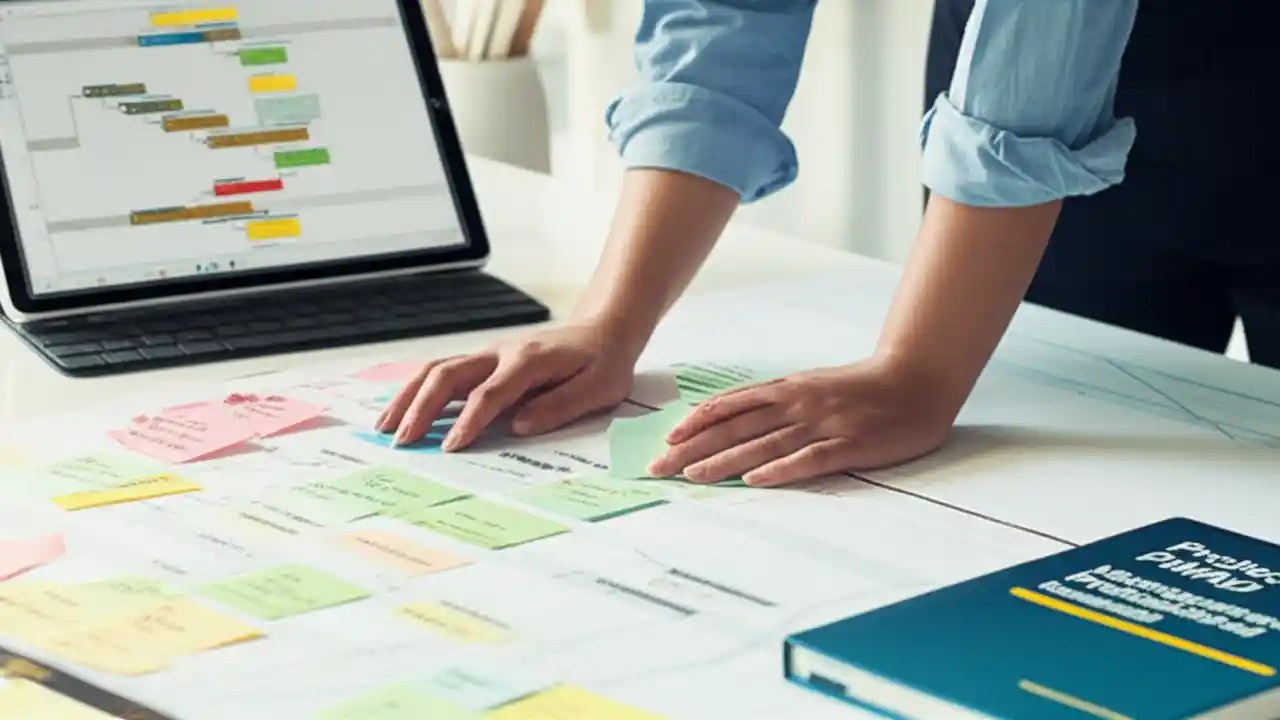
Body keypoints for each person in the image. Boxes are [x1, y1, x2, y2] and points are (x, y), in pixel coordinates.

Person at [379, 0, 1265, 488]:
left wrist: (916, 370)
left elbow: (1039, 55)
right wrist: (608, 324)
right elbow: (727, 17)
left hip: (1040, 88)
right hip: (1027, 120)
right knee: (1073, 483)